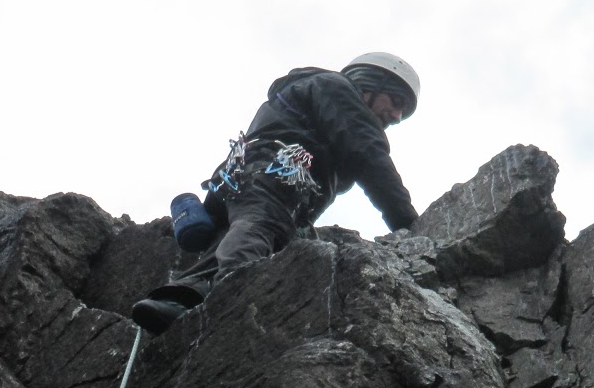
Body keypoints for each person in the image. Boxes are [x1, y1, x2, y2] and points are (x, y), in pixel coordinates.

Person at [131, 52, 421, 335]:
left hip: (248, 185)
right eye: (395, 102)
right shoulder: (335, 89)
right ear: (370, 81)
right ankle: (233, 293)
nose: (396, 116)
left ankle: (176, 301)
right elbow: (368, 155)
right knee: (262, 227)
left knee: (252, 239)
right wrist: (407, 223)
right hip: (273, 182)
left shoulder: (317, 101)